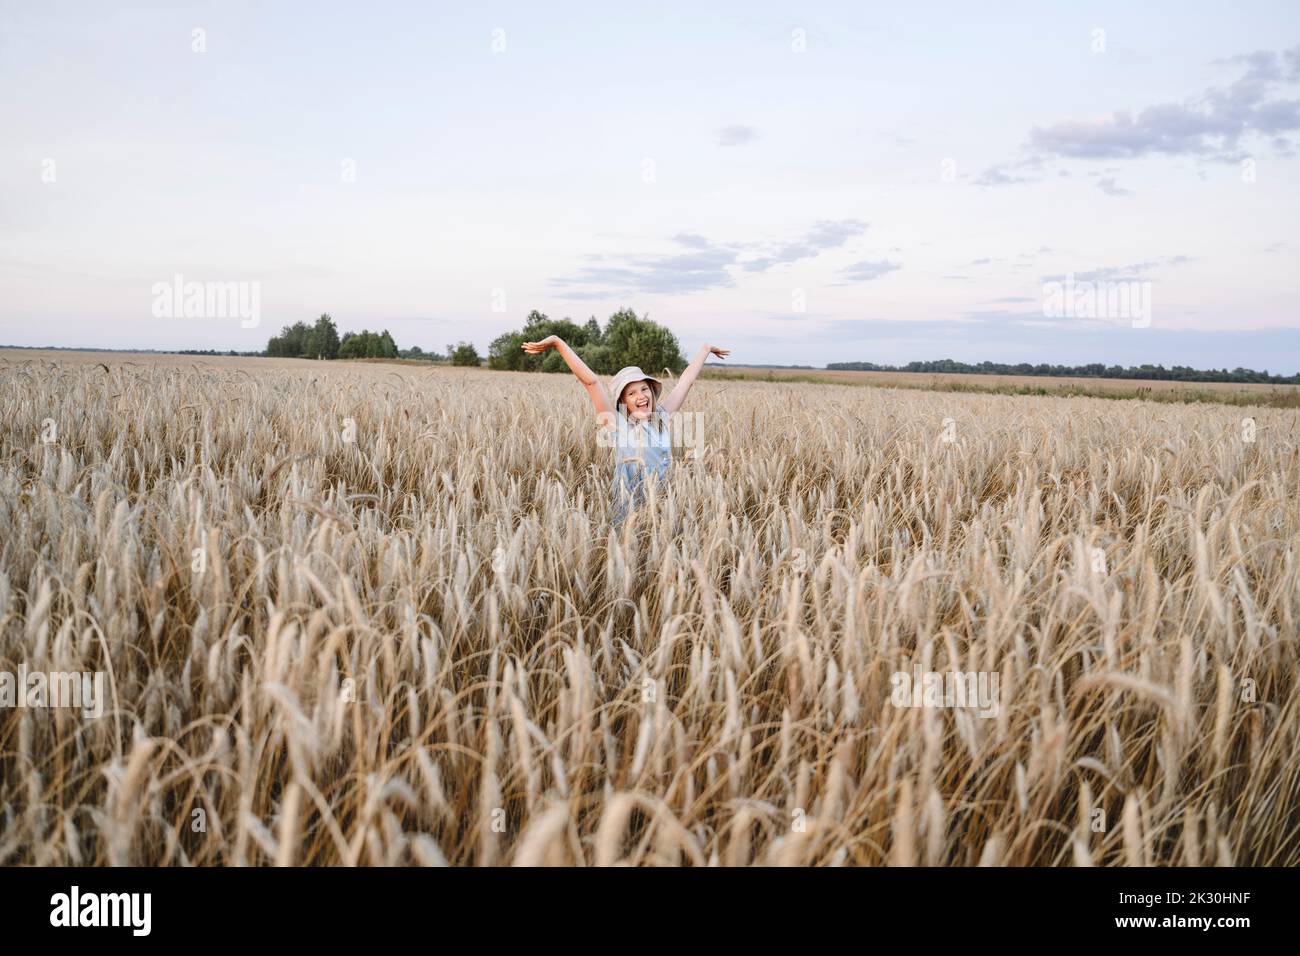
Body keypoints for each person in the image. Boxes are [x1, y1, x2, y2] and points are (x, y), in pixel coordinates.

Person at [521, 336, 730, 523]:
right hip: (627, 509)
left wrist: (705, 350)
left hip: (662, 505)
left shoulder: (662, 418)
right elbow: (591, 382)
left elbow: (686, 382)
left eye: (644, 389)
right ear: (623, 401)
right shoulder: (617, 424)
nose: (641, 396)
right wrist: (558, 343)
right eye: (632, 393)